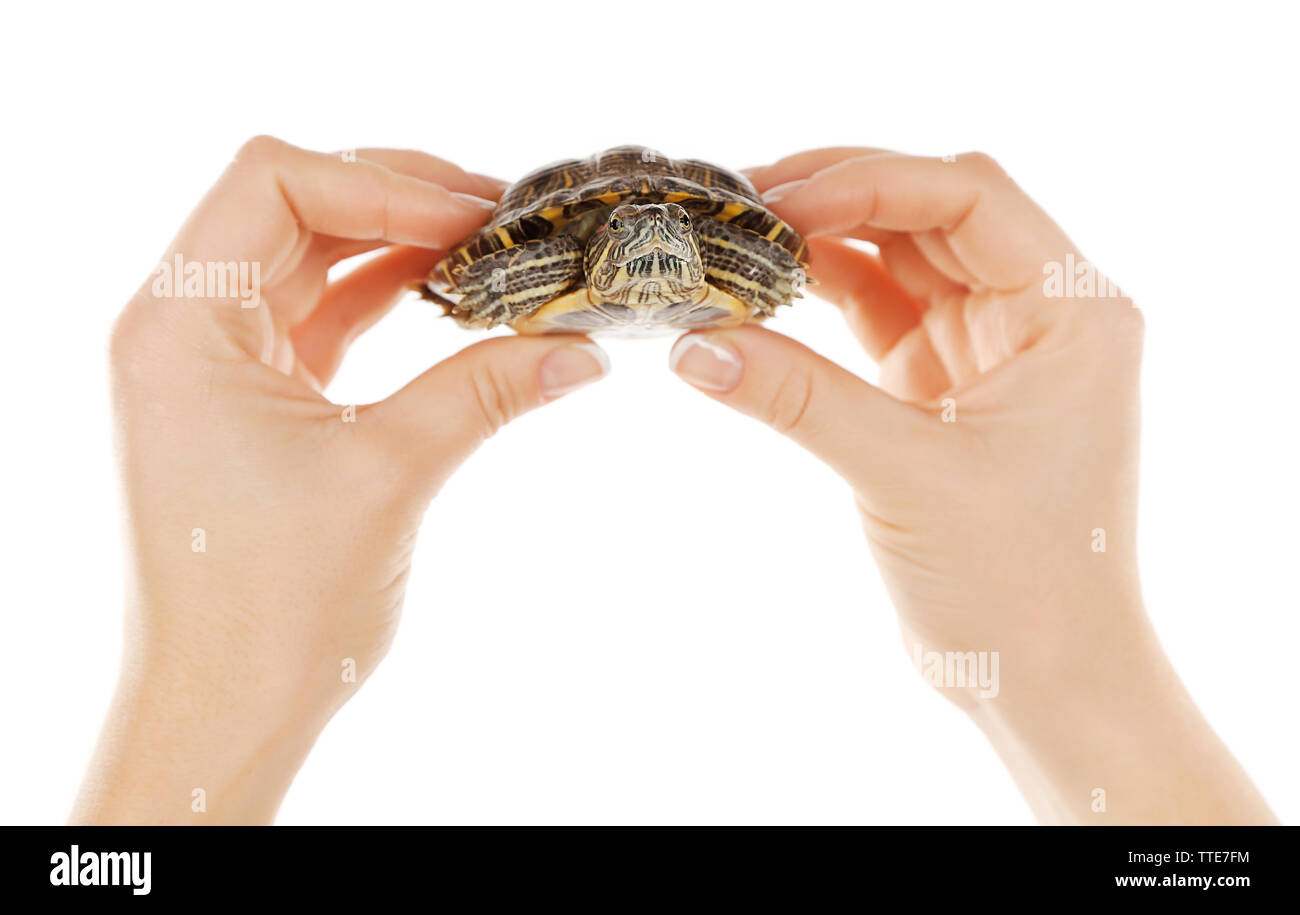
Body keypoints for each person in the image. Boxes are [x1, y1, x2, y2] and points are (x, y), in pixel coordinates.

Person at [71, 137, 1277, 825]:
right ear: (595, 248)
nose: (651, 241)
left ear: (697, 248)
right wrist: (1075, 678)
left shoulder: (712, 247)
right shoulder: (577, 252)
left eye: (676, 237)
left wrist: (206, 705)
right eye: (627, 237)